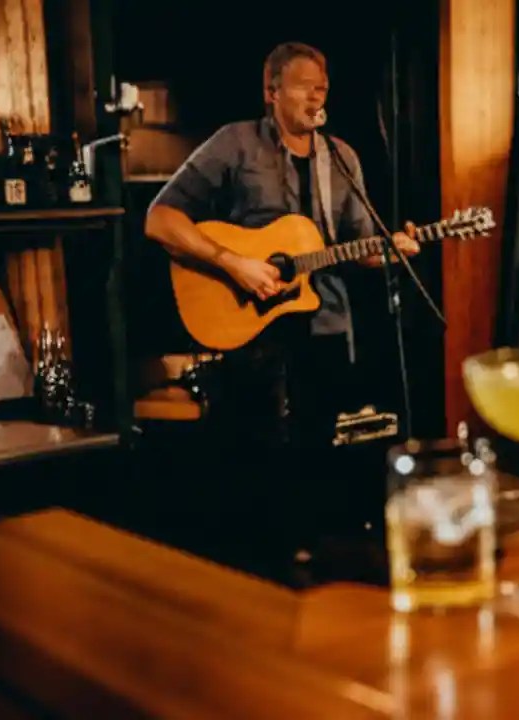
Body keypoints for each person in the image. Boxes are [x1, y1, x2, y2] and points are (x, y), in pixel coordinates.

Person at [143, 41, 419, 558]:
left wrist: (391, 249)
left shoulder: (340, 156)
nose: (318, 93)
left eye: (324, 85)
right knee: (255, 453)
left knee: (320, 454)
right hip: (250, 326)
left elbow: (358, 246)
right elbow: (160, 219)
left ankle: (315, 566)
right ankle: (256, 563)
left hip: (326, 323)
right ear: (271, 92)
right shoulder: (235, 145)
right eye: (304, 84)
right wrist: (233, 263)